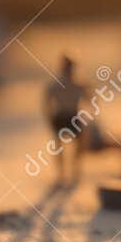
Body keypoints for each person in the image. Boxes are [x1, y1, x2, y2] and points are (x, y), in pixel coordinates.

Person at [43, 56, 90, 187]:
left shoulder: (78, 85)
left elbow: (90, 100)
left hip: (72, 116)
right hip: (62, 117)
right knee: (59, 146)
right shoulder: (57, 85)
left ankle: (74, 171)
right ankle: (62, 174)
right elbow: (47, 103)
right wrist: (50, 118)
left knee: (79, 143)